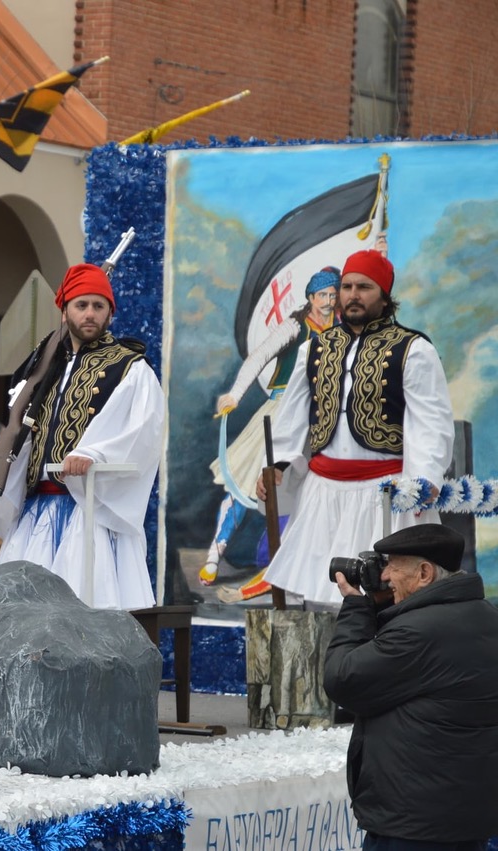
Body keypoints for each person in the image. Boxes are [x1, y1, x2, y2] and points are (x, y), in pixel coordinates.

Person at [257, 250, 454, 606]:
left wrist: (424, 478)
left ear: (384, 296)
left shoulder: (413, 349)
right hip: (323, 495)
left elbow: (431, 421)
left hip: (387, 496)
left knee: (391, 599)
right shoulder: (314, 349)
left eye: (364, 286)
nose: (352, 294)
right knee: (319, 600)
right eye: (346, 286)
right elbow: (293, 417)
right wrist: (278, 465)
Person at [0, 263, 163, 610]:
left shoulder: (130, 368)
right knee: (22, 620)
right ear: (65, 310)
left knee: (85, 615)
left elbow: (142, 433)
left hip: (89, 516)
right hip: (34, 515)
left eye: (98, 306)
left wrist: (94, 455)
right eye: (81, 305)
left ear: (110, 313)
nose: (90, 314)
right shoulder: (42, 369)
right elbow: (22, 438)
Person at [324, 524, 498, 849]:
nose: (385, 575)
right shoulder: (486, 617)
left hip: (414, 824)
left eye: (392, 565)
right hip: (464, 816)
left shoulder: (417, 633)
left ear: (424, 573)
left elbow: (343, 679)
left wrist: (355, 610)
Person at [204, 267, 340, 595]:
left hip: (324, 420)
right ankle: (215, 555)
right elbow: (258, 358)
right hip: (282, 415)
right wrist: (235, 395)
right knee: (247, 485)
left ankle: (294, 565)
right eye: (322, 295)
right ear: (309, 297)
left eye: (333, 295)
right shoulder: (294, 326)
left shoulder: (343, 330)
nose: (327, 301)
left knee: (314, 494)